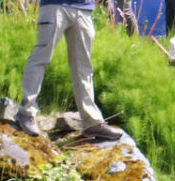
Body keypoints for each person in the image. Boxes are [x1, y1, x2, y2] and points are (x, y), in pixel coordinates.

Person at [15, 0, 124, 142]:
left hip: (84, 8)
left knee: (84, 67)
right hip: (55, 5)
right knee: (41, 58)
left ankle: (92, 123)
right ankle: (26, 113)